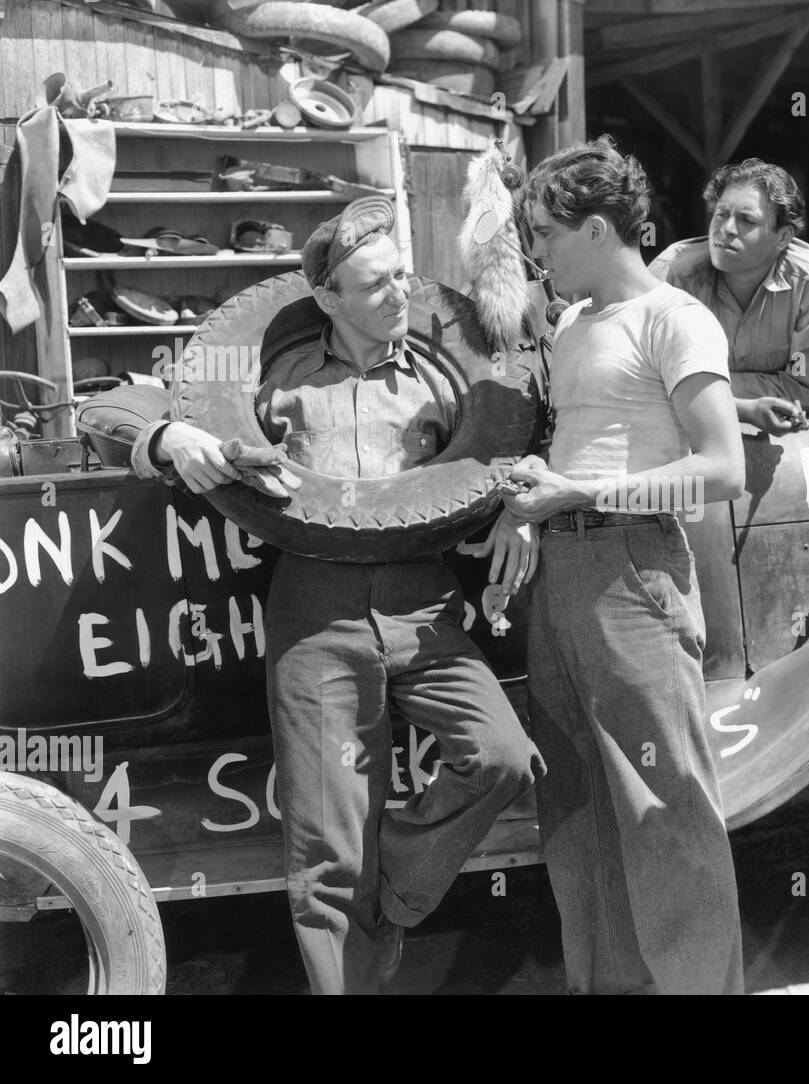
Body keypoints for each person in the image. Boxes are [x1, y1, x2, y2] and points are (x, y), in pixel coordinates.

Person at [130, 198, 542, 994]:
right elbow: (120, 404)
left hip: (425, 606)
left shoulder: (438, 374)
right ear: (328, 299)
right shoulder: (277, 378)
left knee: (501, 757)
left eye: (401, 278)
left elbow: (517, 433)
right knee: (326, 851)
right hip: (315, 612)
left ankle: (394, 892)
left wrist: (521, 506)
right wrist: (166, 437)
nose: (399, 296)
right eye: (376, 285)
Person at [502, 137, 746, 994]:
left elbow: (722, 468)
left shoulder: (673, 319)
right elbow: (576, 450)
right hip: (562, 578)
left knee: (663, 806)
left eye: (545, 234)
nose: (535, 252)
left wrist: (584, 496)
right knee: (579, 810)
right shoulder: (573, 323)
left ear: (599, 229)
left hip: (634, 573)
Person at [649, 158, 809, 435]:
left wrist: (697, 386)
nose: (727, 228)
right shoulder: (672, 273)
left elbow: (808, 392)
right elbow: (647, 384)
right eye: (721, 214)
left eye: (746, 220)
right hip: (681, 437)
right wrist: (745, 403)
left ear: (783, 237)